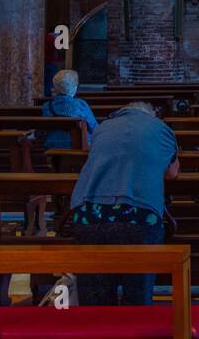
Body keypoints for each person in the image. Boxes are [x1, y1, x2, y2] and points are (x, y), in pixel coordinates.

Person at [68, 101, 180, 306]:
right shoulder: (161, 129)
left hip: (89, 214)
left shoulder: (103, 128)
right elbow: (172, 173)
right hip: (138, 216)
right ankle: (137, 330)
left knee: (95, 296)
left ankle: (99, 333)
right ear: (151, 115)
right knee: (138, 292)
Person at [26, 70, 99, 236]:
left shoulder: (47, 107)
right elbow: (95, 128)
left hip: (53, 152)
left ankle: (59, 205)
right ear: (74, 88)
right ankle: (81, 202)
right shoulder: (80, 105)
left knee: (59, 170)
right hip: (79, 152)